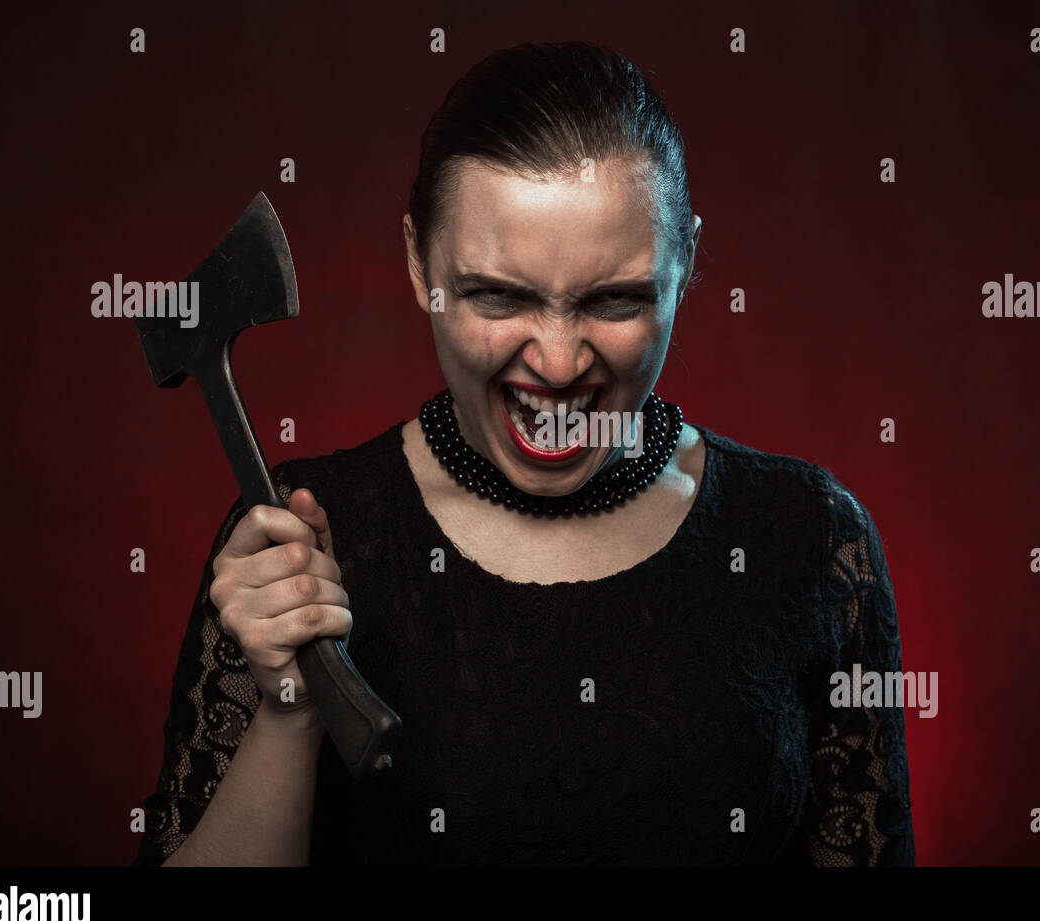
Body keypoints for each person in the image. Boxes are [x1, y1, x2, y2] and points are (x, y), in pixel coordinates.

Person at [133, 40, 915, 866]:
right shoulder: (293, 543)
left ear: (684, 264)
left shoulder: (811, 540)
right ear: (417, 262)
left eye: (613, 300)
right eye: (498, 296)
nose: (557, 361)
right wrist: (291, 707)